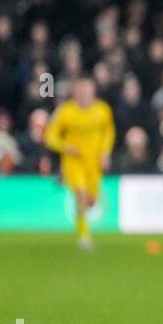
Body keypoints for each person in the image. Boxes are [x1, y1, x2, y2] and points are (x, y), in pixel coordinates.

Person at [45, 78, 115, 251]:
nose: (85, 96)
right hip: (73, 163)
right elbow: (50, 136)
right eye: (82, 93)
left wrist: (105, 153)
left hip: (94, 163)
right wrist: (65, 147)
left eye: (88, 93)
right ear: (75, 94)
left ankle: (82, 228)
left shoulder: (102, 110)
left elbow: (109, 133)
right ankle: (84, 236)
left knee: (91, 201)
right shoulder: (65, 112)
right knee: (81, 194)